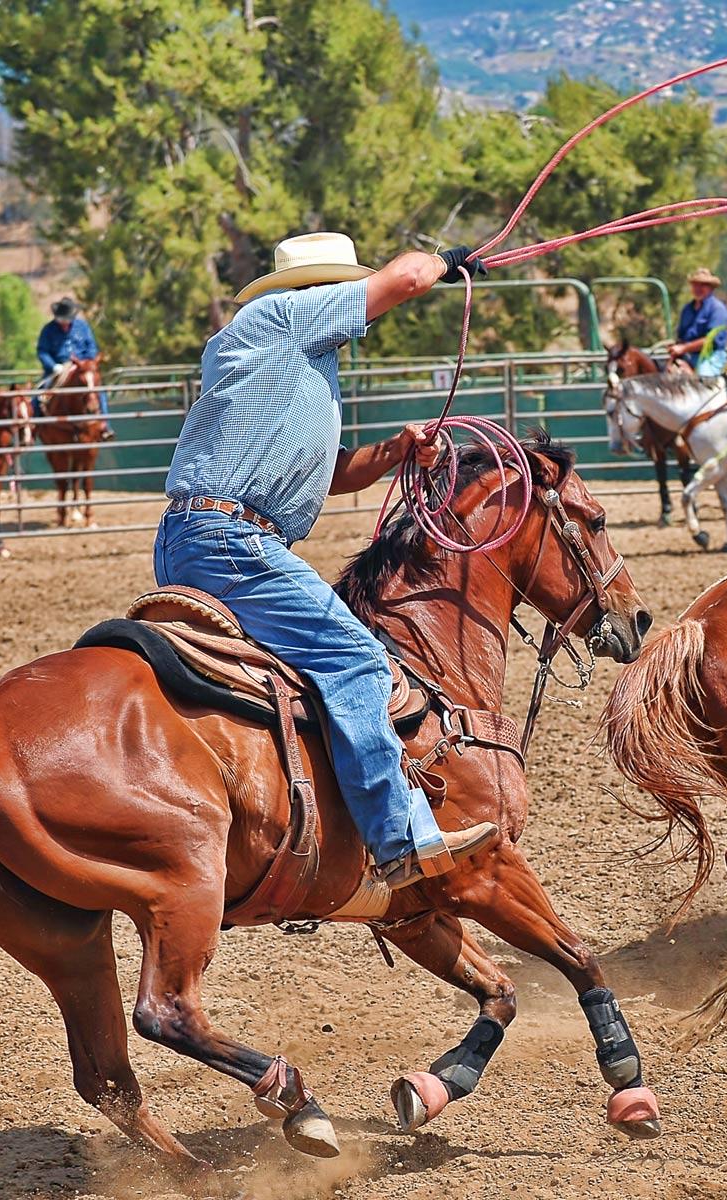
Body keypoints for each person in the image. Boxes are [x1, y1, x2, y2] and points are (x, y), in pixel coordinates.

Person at [156, 231, 497, 890]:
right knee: (356, 658)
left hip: (206, 537)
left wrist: (397, 449)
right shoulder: (285, 319)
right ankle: (399, 841)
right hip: (233, 543)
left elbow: (335, 476)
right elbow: (406, 282)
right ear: (321, 290)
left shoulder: (291, 357)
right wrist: (448, 258)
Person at [37, 296, 109, 420]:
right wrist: (53, 366)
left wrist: (87, 363)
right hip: (58, 368)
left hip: (82, 368)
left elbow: (91, 346)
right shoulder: (48, 330)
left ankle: (105, 426)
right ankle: (36, 428)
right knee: (38, 396)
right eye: (62, 319)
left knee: (98, 392)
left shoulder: (82, 327)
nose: (65, 323)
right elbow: (42, 351)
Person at [667, 267, 727, 376]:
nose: (698, 288)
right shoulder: (687, 309)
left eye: (703, 285)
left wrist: (683, 348)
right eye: (695, 284)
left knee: (703, 378)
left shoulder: (718, 309)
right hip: (688, 355)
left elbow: (711, 341)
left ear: (711, 288)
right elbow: (681, 338)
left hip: (712, 356)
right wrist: (673, 355)